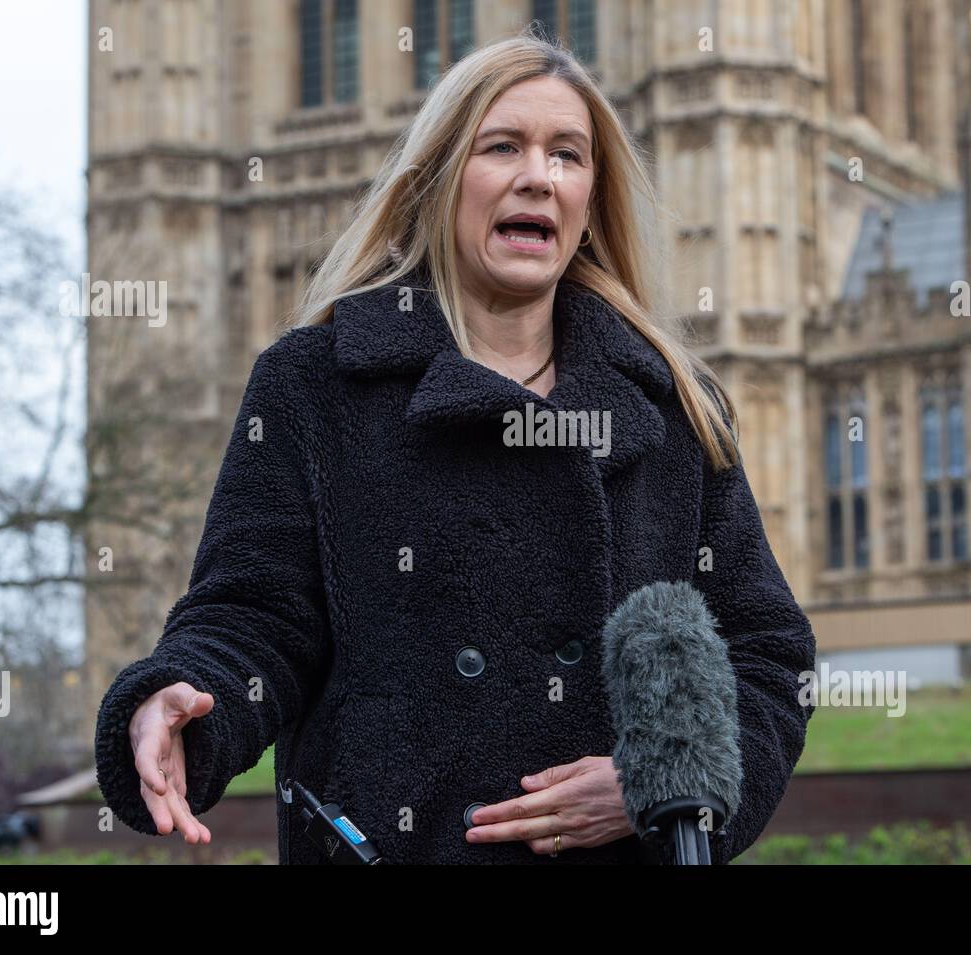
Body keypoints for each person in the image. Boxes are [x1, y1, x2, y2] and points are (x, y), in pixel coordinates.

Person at [94, 28, 817, 865]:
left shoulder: (673, 406)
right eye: (502, 146)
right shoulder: (316, 385)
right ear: (438, 180)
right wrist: (180, 699)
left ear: (590, 201)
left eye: (568, 156)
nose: (537, 177)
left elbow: (766, 653)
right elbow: (253, 615)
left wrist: (662, 778)